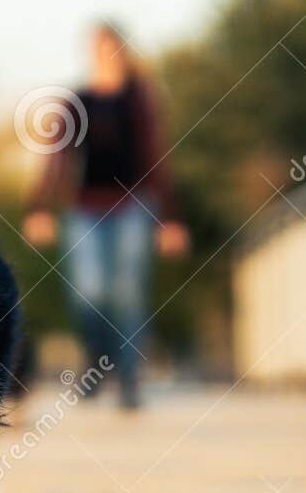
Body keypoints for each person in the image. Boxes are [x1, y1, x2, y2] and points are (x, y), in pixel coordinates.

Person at [23, 21, 190, 409]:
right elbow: (57, 159)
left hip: (134, 206)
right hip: (85, 209)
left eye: (107, 48)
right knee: (87, 293)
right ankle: (98, 360)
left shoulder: (139, 99)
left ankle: (130, 378)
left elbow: (157, 158)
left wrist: (172, 218)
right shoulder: (77, 100)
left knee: (129, 293)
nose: (101, 56)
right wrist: (39, 208)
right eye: (95, 49)